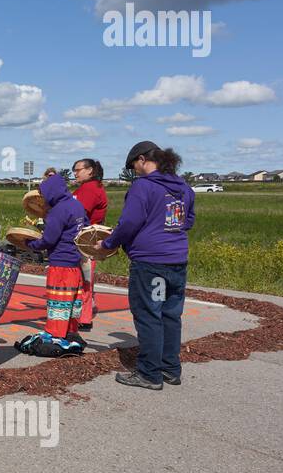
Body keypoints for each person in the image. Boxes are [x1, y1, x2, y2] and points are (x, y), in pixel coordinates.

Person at [102, 142, 195, 391]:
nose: (134, 172)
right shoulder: (183, 187)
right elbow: (189, 220)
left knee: (148, 316)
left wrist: (108, 243)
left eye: (134, 166)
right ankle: (170, 369)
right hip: (177, 259)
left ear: (142, 159)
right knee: (171, 315)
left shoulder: (143, 187)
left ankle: (149, 373)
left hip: (150, 262)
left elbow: (129, 222)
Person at [18, 174, 90, 356]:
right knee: (72, 301)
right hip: (75, 262)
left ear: (51, 192)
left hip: (61, 263)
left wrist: (29, 245)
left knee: (59, 301)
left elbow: (48, 240)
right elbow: (87, 228)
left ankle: (55, 336)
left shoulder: (59, 210)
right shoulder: (76, 205)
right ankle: (70, 333)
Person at [72, 158, 109, 330]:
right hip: (87, 241)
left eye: (78, 169)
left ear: (90, 171)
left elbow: (76, 213)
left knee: (83, 281)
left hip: (84, 242)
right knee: (85, 280)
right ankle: (82, 315)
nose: (75, 173)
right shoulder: (91, 188)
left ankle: (83, 318)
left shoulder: (89, 189)